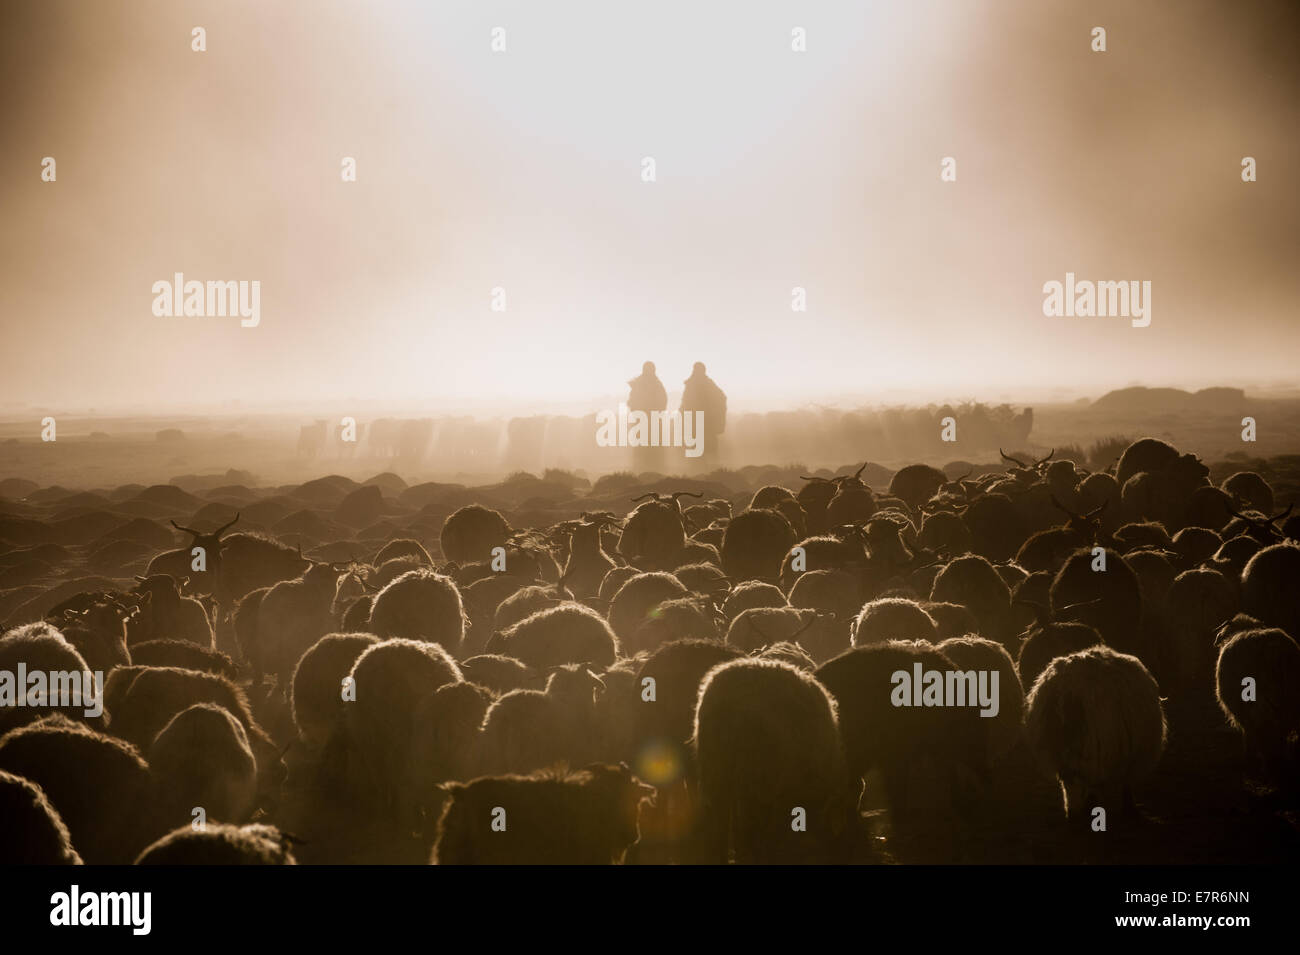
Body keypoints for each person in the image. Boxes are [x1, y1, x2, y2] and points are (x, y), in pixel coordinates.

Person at [680, 362, 726, 470]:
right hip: (697, 421)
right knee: (698, 450)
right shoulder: (698, 384)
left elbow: (721, 398)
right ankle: (699, 472)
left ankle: (702, 472)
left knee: (701, 450)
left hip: (703, 422)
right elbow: (685, 403)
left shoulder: (699, 384)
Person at [627, 361, 667, 475]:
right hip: (646, 419)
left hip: (647, 419)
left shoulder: (645, 383)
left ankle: (649, 471)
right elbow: (632, 401)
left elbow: (631, 401)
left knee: (647, 445)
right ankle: (645, 471)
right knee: (646, 445)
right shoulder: (654, 383)